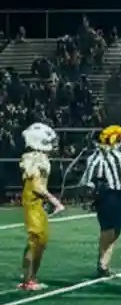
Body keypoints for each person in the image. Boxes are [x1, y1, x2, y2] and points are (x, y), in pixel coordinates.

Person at [80, 125, 121, 278]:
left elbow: (87, 180)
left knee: (114, 230)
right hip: (110, 194)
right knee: (109, 230)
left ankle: (105, 263)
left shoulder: (97, 156)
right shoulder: (115, 157)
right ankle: (102, 263)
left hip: (112, 195)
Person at [19, 123, 65, 291]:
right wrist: (55, 201)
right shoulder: (37, 160)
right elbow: (37, 186)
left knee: (39, 241)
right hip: (33, 203)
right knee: (36, 240)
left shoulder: (36, 158)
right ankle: (28, 280)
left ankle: (30, 278)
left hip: (35, 203)